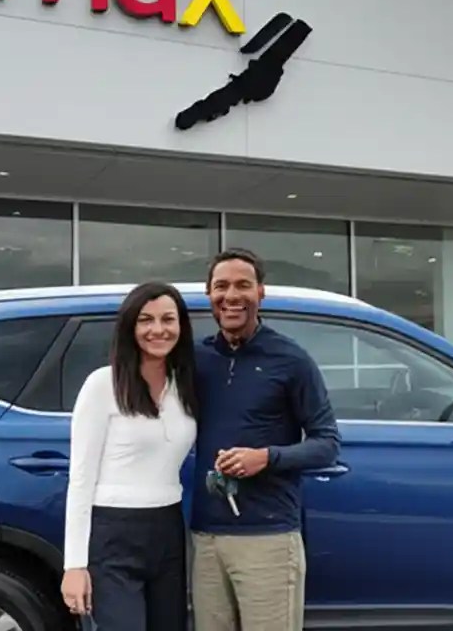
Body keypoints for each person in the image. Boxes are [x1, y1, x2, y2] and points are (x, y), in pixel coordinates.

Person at [190, 248, 341, 631]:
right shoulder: (196, 359)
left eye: (243, 285)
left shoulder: (291, 359)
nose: (231, 295)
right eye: (221, 286)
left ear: (261, 292)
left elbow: (327, 443)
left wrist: (267, 457)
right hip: (205, 537)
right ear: (209, 295)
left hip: (267, 538)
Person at [60, 281, 200, 631]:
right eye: (145, 320)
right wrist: (74, 565)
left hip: (168, 528)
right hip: (113, 532)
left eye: (168, 319)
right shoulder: (101, 385)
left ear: (181, 327)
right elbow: (80, 479)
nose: (158, 329)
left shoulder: (185, 387)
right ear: (130, 328)